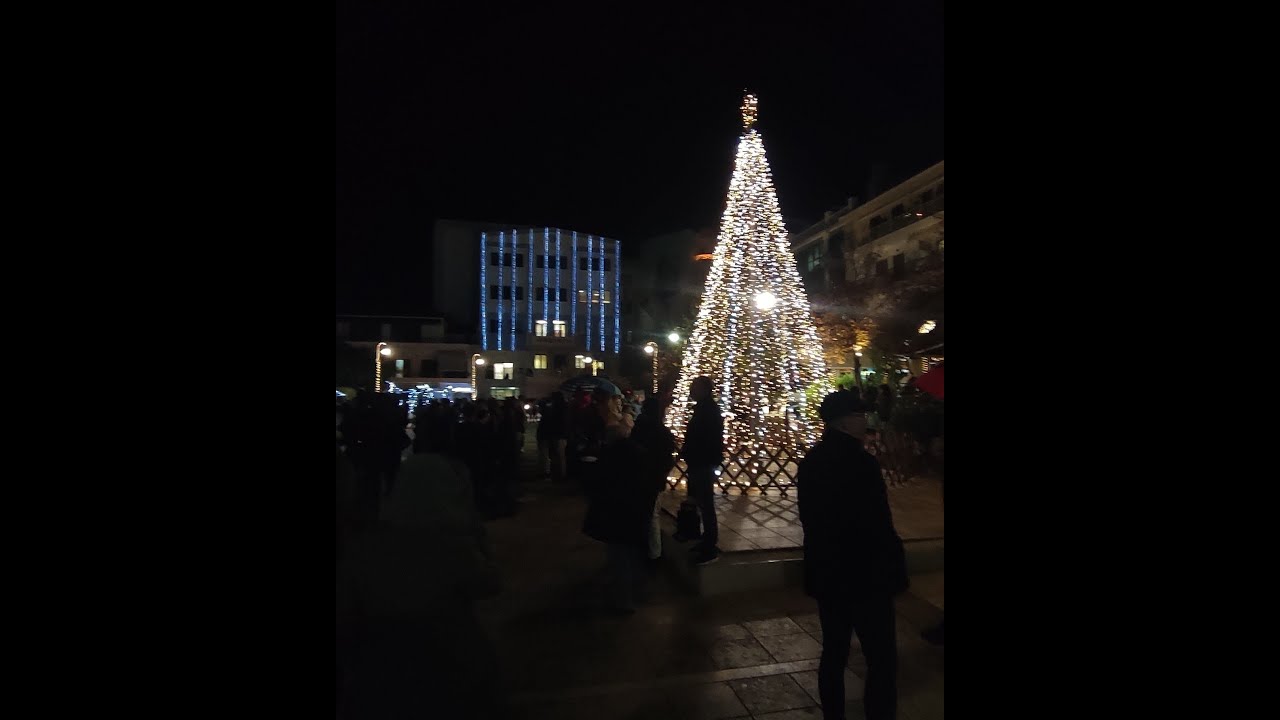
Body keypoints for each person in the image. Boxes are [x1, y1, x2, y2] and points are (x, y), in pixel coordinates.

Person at [798, 390, 908, 720]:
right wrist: (892, 567)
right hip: (866, 575)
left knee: (834, 652)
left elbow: (810, 519)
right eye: (860, 416)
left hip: (828, 572)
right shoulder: (861, 463)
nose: (865, 421)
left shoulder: (812, 461)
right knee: (881, 657)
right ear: (844, 422)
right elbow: (877, 522)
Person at [681, 376, 724, 565]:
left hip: (703, 462)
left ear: (705, 390)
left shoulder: (709, 411)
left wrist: (696, 453)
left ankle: (710, 546)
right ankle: (705, 539)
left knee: (706, 504)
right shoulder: (702, 409)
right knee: (701, 502)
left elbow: (707, 438)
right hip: (699, 461)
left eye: (695, 387)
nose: (692, 390)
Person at [631, 397, 677, 563]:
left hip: (641, 477)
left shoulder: (639, 427)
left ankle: (643, 548)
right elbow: (667, 457)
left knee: (643, 514)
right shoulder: (662, 432)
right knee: (652, 516)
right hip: (654, 479)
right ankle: (654, 553)